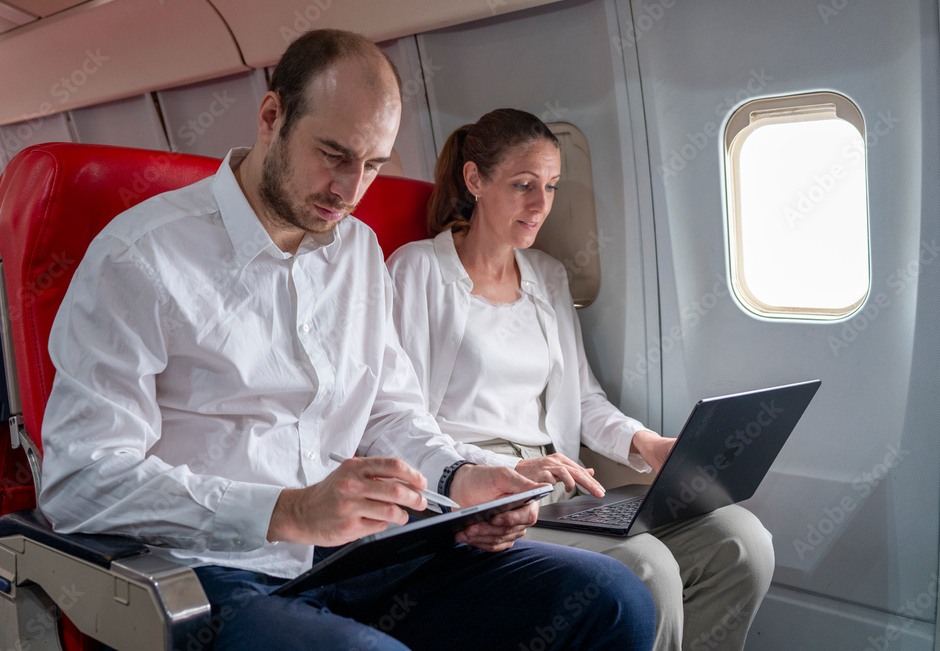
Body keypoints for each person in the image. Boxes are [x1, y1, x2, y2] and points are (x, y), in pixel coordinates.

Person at [37, 33, 656, 650]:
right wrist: (286, 511)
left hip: (360, 557)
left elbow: (389, 412)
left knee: (615, 598)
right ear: (272, 118)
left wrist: (465, 479)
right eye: (333, 154)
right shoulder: (140, 254)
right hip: (212, 575)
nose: (349, 189)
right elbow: (80, 480)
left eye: (374, 165)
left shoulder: (357, 252)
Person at [387, 108, 777, 651]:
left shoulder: (547, 275)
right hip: (480, 497)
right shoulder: (417, 271)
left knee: (741, 542)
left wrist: (648, 443)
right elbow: (400, 420)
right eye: (523, 185)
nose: (540, 205)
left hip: (561, 484)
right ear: (475, 180)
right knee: (645, 568)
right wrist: (510, 468)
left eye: (549, 186)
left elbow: (585, 401)